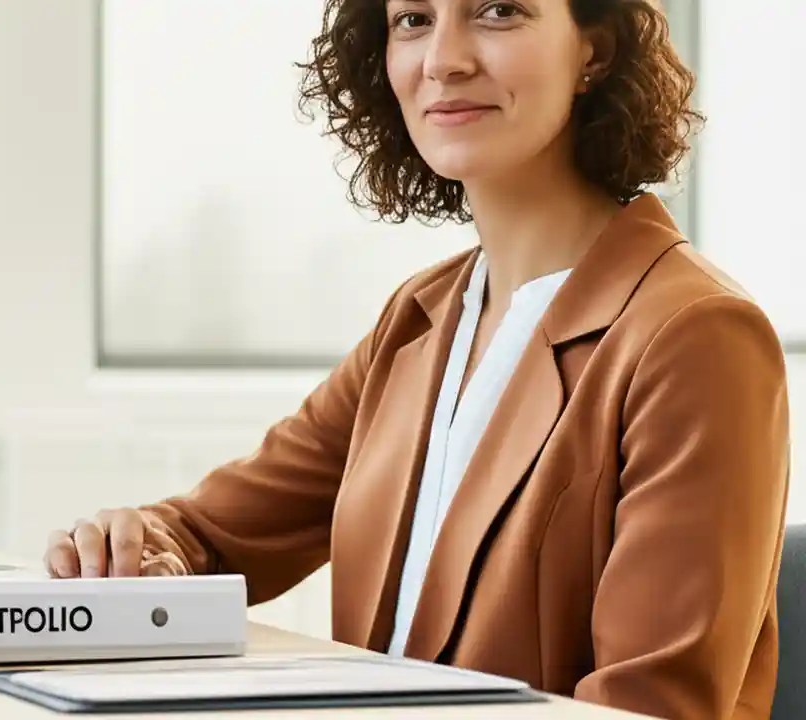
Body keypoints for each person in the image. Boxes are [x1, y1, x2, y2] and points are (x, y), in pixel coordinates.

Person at [44, 1, 791, 718]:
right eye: (413, 20)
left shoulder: (695, 337)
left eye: (500, 11)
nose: (444, 60)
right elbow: (213, 534)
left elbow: (647, 709)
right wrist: (135, 551)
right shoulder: (421, 318)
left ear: (592, 49)